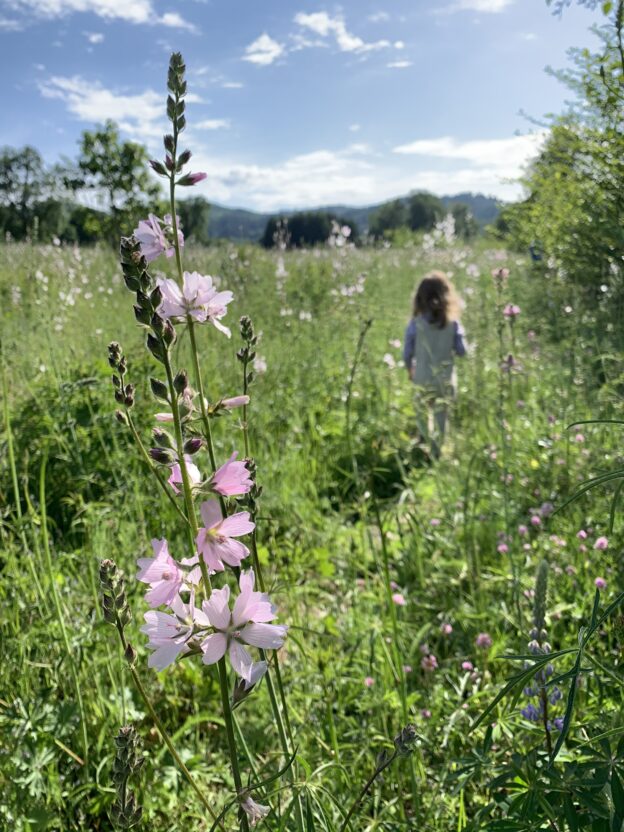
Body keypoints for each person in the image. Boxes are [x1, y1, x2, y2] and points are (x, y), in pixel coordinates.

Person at [403, 271, 466, 457]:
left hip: (421, 377)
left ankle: (423, 442)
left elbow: (407, 354)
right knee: (441, 415)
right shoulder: (453, 325)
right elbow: (462, 351)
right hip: (445, 380)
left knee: (421, 411)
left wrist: (410, 370)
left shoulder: (415, 325)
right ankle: (436, 452)